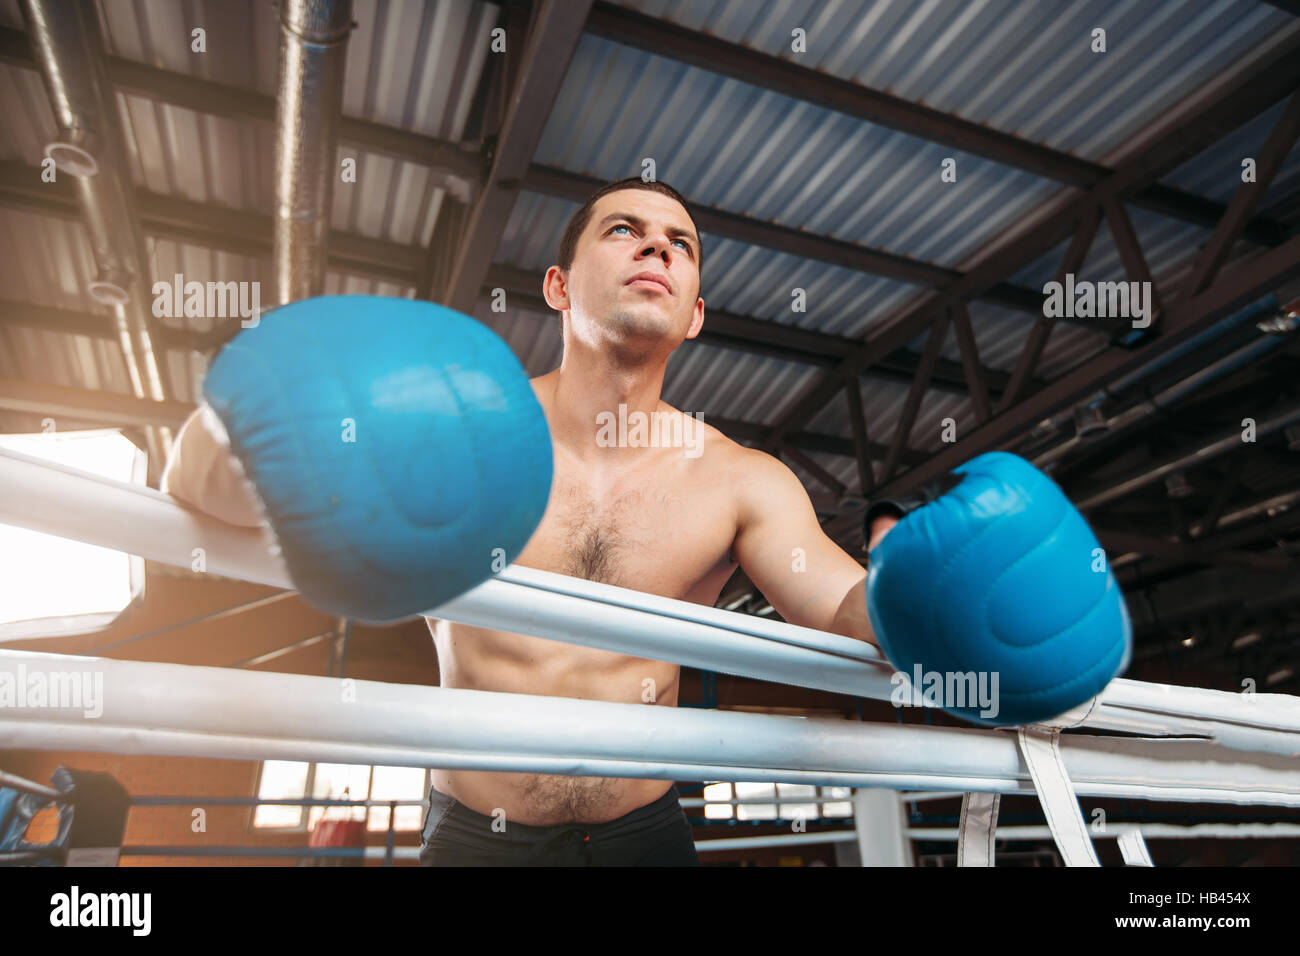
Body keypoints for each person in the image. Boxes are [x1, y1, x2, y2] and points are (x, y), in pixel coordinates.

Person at [162, 176, 897, 866]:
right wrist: (249, 411)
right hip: (477, 839)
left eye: (681, 244)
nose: (657, 248)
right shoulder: (452, 434)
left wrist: (920, 573)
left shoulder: (740, 480)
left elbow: (841, 611)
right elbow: (204, 494)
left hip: (642, 837)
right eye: (624, 230)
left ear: (695, 313)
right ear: (558, 285)